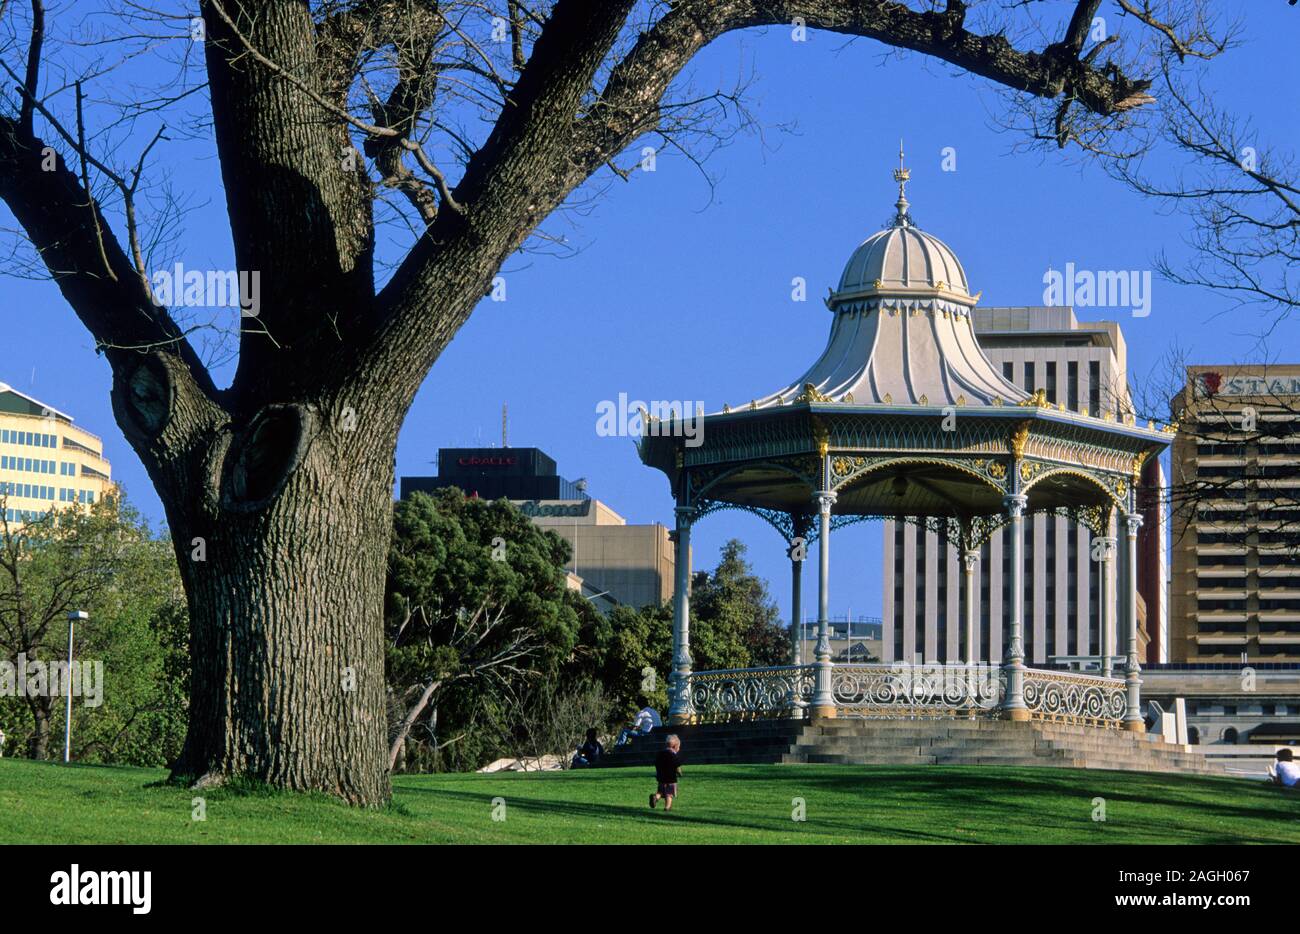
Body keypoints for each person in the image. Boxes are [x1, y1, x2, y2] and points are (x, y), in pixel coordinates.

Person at [649, 734, 682, 811]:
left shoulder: (660, 754)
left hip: (661, 777)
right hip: (671, 778)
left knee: (660, 792)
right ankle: (667, 807)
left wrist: (658, 773)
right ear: (675, 747)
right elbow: (677, 767)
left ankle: (655, 797)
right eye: (679, 747)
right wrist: (680, 773)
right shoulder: (674, 756)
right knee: (669, 795)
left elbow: (656, 763)